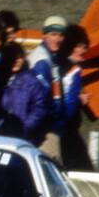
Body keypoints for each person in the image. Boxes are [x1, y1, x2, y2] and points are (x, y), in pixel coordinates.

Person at [27, 15, 68, 159]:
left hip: (50, 128)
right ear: (44, 35)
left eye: (61, 35)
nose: (58, 39)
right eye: (53, 34)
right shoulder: (42, 61)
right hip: (45, 131)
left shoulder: (51, 59)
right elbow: (41, 101)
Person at [56, 25, 95, 170]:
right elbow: (66, 102)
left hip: (61, 129)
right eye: (79, 46)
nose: (83, 51)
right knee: (83, 171)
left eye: (85, 47)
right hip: (66, 130)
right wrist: (78, 101)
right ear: (70, 46)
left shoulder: (56, 66)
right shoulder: (73, 70)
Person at [0, 41, 49, 145]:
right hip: (1, 137)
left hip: (24, 138)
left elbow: (39, 107)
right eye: (13, 57)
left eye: (20, 57)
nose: (17, 61)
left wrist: (25, 126)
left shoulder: (30, 80)